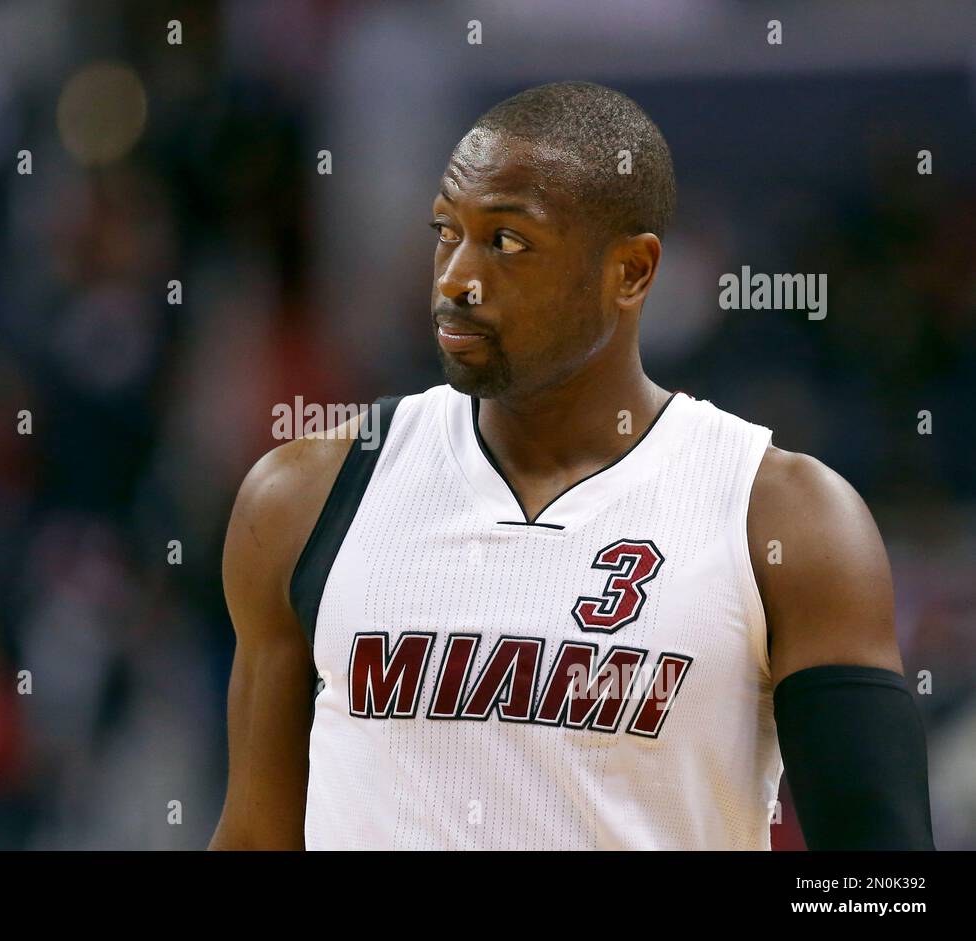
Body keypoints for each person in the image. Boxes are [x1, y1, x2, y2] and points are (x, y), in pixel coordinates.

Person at [209, 81, 935, 850]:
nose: (456, 277)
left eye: (506, 241)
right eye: (446, 232)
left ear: (631, 271)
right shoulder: (303, 494)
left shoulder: (785, 517)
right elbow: (254, 837)